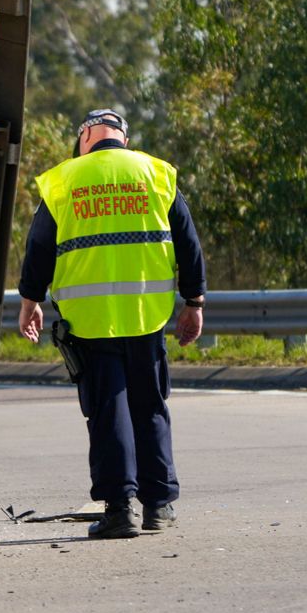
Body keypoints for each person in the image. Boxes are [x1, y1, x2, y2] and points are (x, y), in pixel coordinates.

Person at [17, 109, 206, 539]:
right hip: (145, 315)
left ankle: (120, 511)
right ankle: (158, 507)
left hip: (91, 321)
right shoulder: (156, 174)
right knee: (150, 407)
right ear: (124, 139)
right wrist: (194, 303)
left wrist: (30, 302)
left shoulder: (64, 180)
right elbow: (188, 243)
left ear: (85, 137)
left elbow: (39, 248)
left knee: (108, 412)